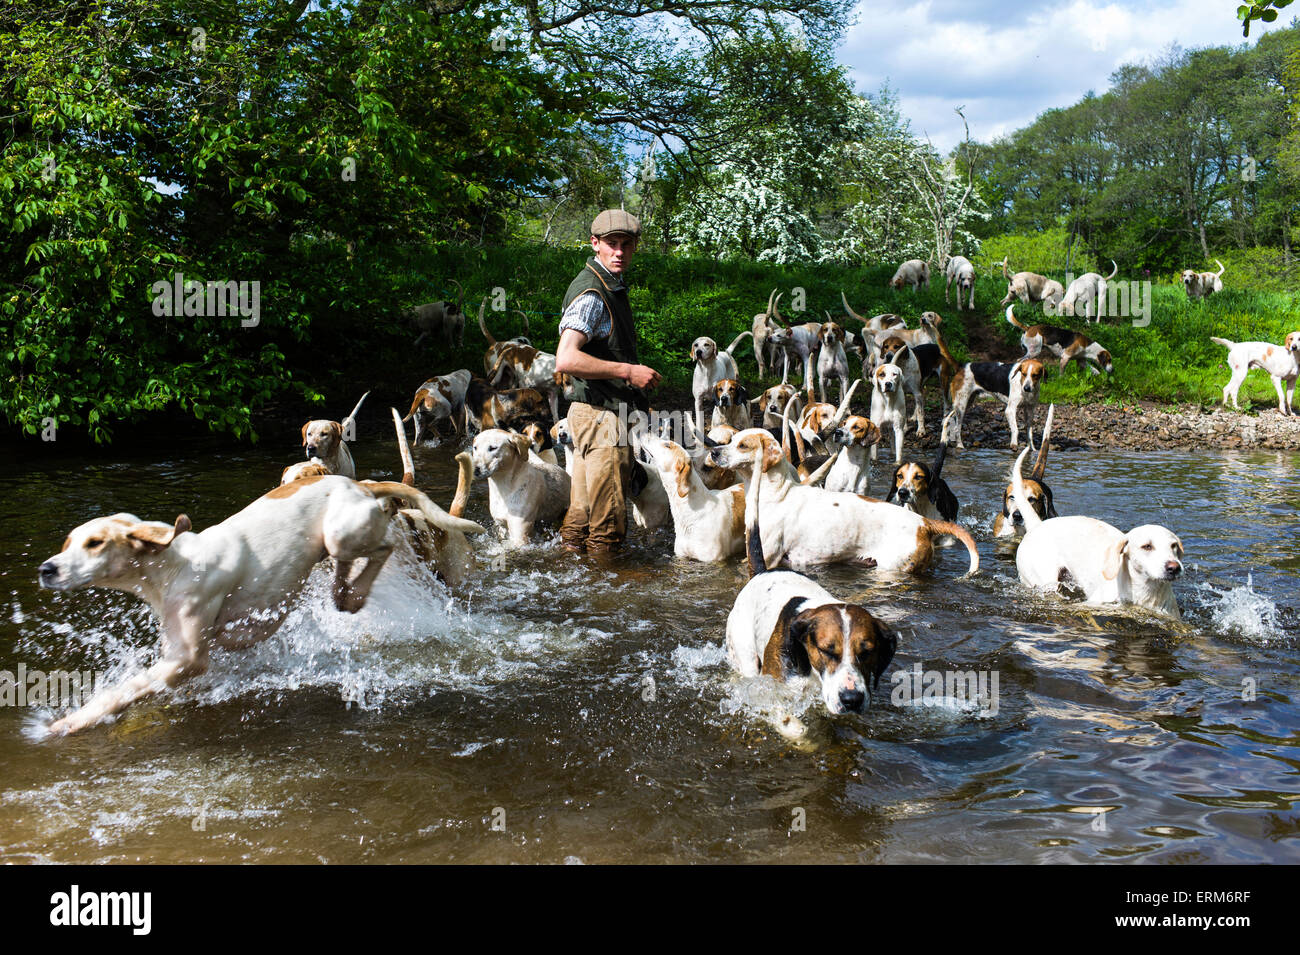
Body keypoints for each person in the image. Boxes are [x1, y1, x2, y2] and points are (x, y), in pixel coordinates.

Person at [554, 209, 662, 554]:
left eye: (626, 245)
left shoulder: (607, 285)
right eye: (611, 243)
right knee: (608, 525)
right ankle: (608, 586)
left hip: (589, 412)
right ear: (594, 243)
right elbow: (566, 358)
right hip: (602, 419)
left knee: (582, 516)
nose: (619, 252)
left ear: (634, 247)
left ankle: (568, 574)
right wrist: (628, 372)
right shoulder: (592, 293)